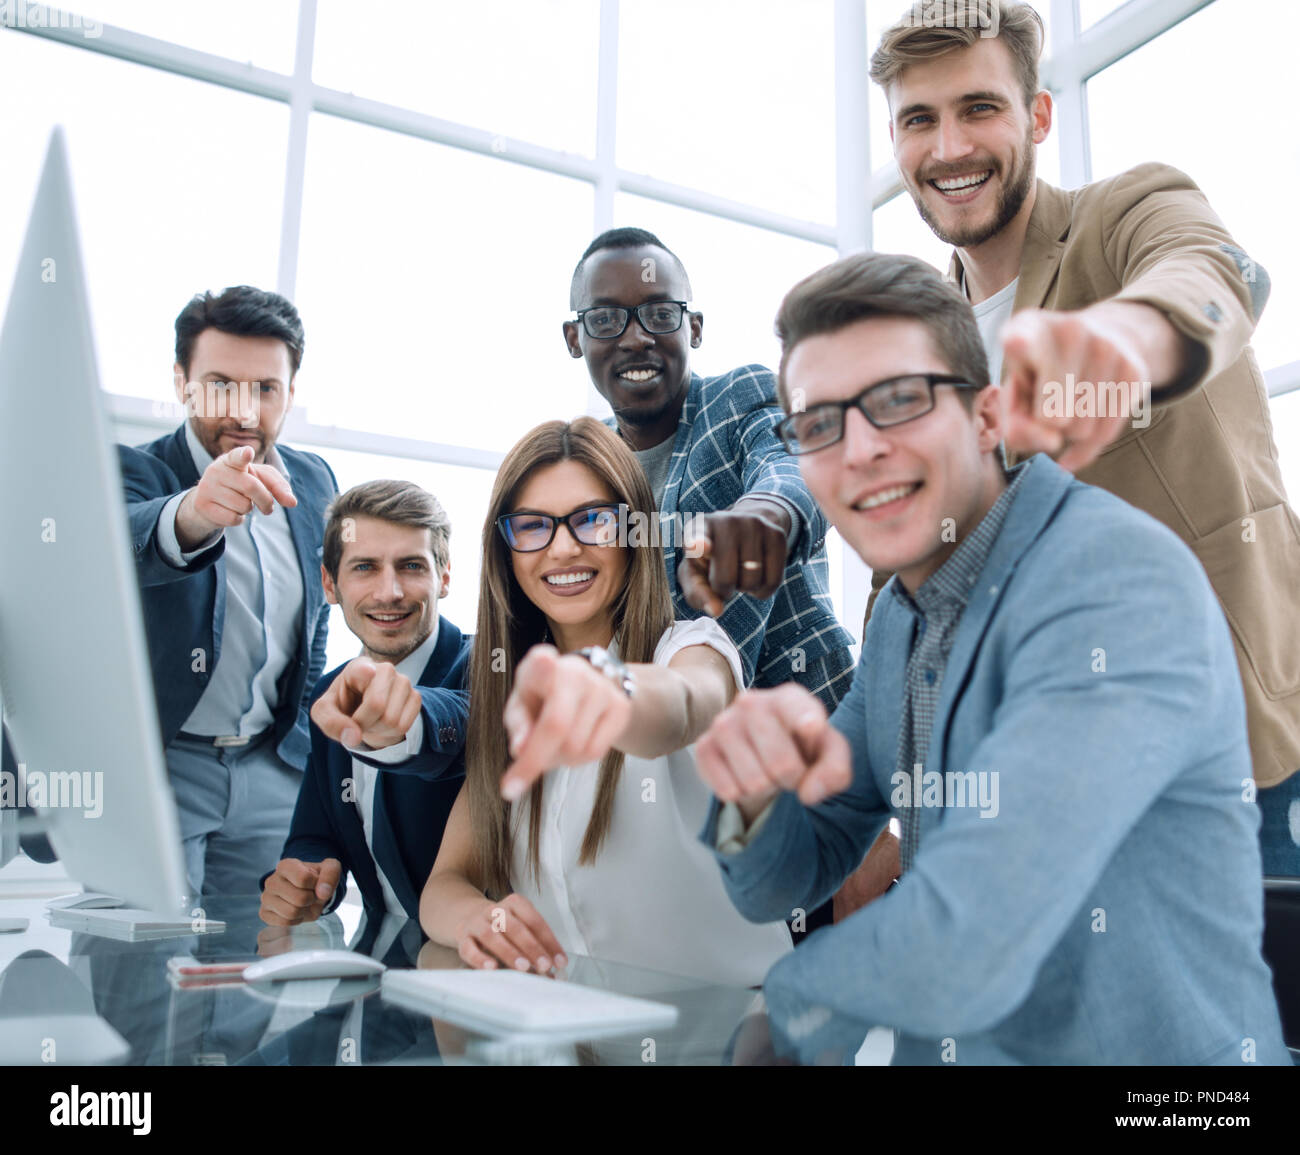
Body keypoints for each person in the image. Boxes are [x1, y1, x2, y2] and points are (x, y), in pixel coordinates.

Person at [692, 252, 1289, 1065]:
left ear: (985, 415)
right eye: (818, 422)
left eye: (898, 399)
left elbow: (978, 929)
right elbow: (785, 873)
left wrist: (792, 1011)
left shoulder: (1112, 578)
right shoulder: (899, 617)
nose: (859, 448)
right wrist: (750, 796)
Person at [854, 0, 1300, 883]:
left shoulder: (1127, 212)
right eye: (919, 119)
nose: (948, 149)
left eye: (979, 108)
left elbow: (1215, 276)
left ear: (1039, 115)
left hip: (1235, 780)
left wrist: (1126, 343)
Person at [419, 417, 792, 987]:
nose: (563, 548)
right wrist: (478, 917)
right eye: (533, 526)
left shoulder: (691, 649)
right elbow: (445, 883)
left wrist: (610, 690)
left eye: (593, 520)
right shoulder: (512, 697)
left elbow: (687, 702)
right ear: (507, 553)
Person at [562, 228, 855, 713]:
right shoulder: (583, 462)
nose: (636, 338)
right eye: (606, 319)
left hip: (804, 735)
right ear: (575, 338)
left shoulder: (738, 398)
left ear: (694, 328)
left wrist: (763, 516)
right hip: (650, 755)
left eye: (660, 314)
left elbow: (796, 464)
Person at [117, 286, 337, 898]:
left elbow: (314, 627)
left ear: (290, 393)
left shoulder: (316, 480)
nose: (243, 411)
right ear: (183, 382)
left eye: (266, 389)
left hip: (272, 773)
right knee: (144, 974)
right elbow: (120, 539)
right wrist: (191, 513)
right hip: (161, 770)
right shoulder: (134, 471)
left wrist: (300, 749)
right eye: (219, 386)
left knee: (257, 972)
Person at [259, 481, 470, 926]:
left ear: (444, 577)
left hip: (472, 961)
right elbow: (314, 835)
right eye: (365, 568)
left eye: (411, 566)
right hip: (377, 956)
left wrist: (408, 720)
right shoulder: (331, 693)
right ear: (330, 583)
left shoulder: (491, 667)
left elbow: (461, 720)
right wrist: (308, 876)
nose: (389, 591)